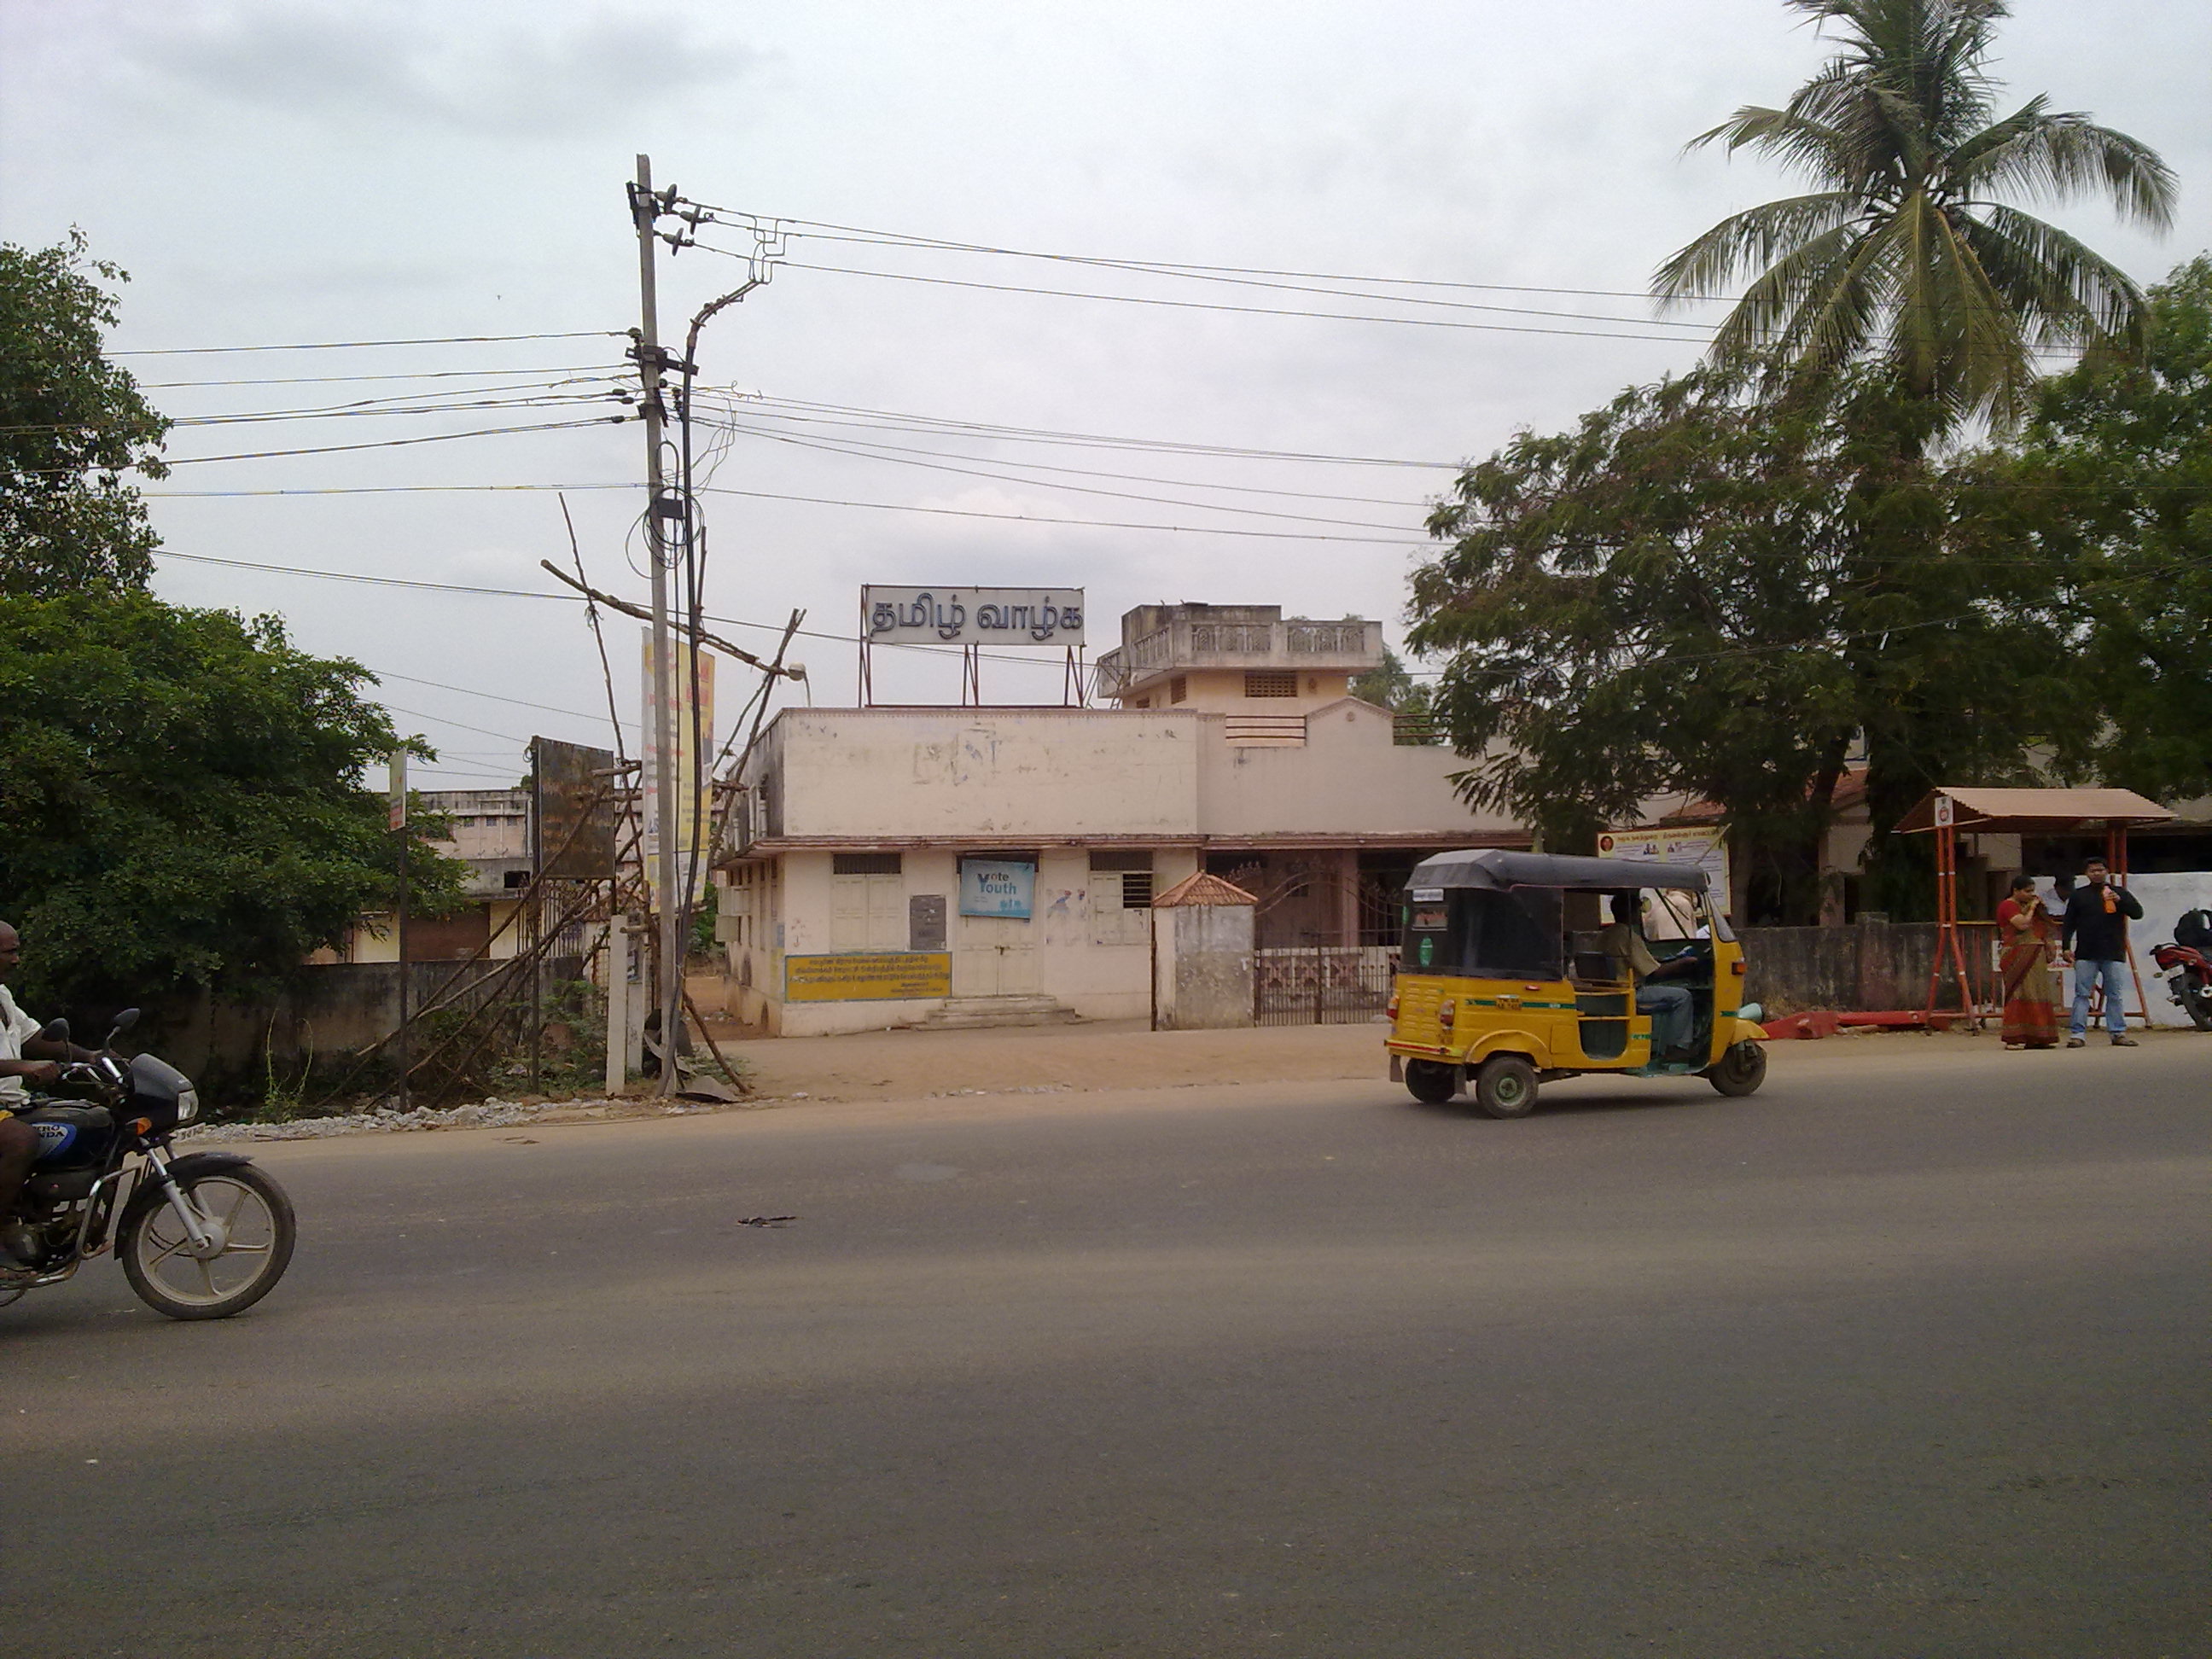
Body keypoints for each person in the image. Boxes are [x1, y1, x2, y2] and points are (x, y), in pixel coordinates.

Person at [0, 919, 93, 1271]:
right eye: (10, 952)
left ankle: (39, 1218)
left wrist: (90, 1056)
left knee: (75, 1122)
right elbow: (25, 1057)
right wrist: (23, 1068)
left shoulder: (2, 996)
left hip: (9, 1103)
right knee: (21, 1141)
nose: (17, 960)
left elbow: (35, 1039)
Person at [1598, 893, 1698, 1059]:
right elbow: (1655, 972)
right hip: (1631, 993)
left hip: (1610, 992)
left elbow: (1637, 961)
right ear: (1630, 912)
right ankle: (1677, 1048)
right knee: (1683, 997)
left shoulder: (1606, 935)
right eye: (1638, 910)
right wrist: (1684, 963)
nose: (1640, 914)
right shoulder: (1628, 936)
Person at [2059, 859, 2144, 1048]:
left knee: (2115, 994)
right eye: (2092, 870)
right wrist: (2066, 947)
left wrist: (2120, 901)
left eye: (2100, 870)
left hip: (2113, 951)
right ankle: (2078, 1034)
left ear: (2106, 871)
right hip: (2086, 953)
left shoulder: (2118, 893)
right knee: (2082, 994)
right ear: (2086, 873)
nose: (2096, 873)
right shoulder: (2079, 896)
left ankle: (2118, 1033)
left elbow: (2138, 913)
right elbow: (2069, 923)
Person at [1994, 875, 2059, 1049]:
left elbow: (2044, 927)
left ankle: (2038, 1037)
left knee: (2038, 992)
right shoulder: (2008, 905)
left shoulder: (2033, 906)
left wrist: (2050, 945)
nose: (2031, 894)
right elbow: (2022, 925)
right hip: (2016, 954)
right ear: (2015, 891)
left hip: (2036, 954)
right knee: (2019, 993)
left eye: (2033, 891)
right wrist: (2031, 908)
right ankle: (2015, 1038)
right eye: (2027, 891)